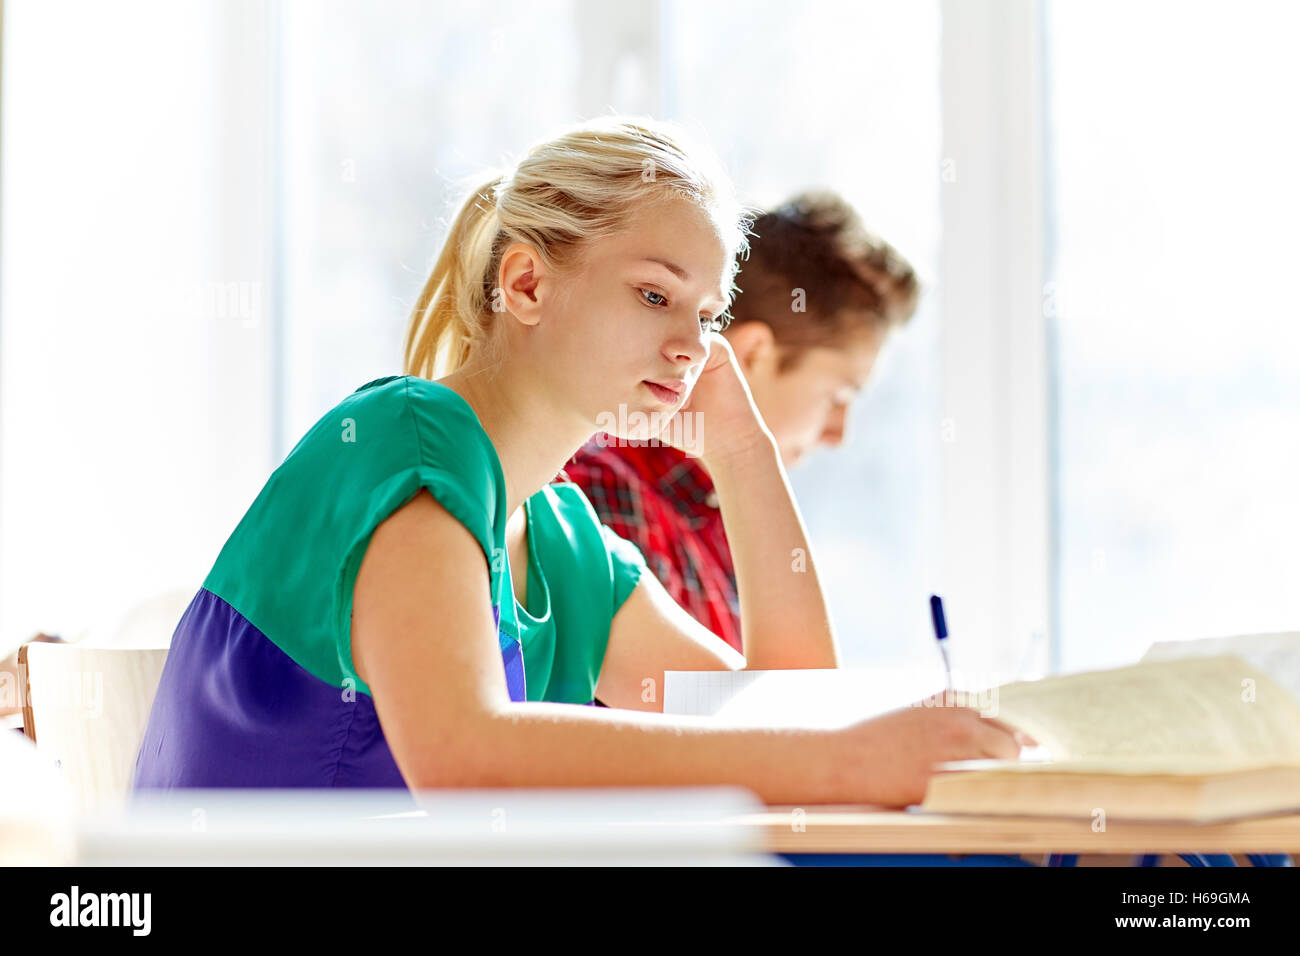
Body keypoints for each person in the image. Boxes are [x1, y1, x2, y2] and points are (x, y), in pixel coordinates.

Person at [133, 117, 1027, 806]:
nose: (691, 345)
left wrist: (745, 454)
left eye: (709, 315)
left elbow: (787, 712)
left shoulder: (563, 539)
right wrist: (844, 759)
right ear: (527, 284)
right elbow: (465, 757)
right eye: (654, 294)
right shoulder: (409, 441)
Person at [563, 191, 918, 653]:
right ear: (752, 354)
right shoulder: (604, 501)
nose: (838, 435)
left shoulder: (729, 520)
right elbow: (778, 713)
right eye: (837, 396)